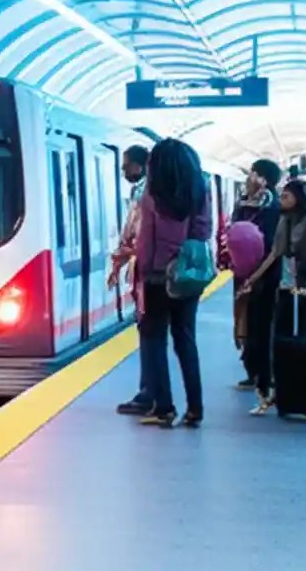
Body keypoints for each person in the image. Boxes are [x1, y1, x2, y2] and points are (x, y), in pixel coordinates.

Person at [133, 138, 211, 429]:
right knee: (186, 340)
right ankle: (195, 409)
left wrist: (144, 270)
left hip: (157, 275)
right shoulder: (199, 190)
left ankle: (163, 407)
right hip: (187, 275)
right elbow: (202, 230)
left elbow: (147, 240)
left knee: (154, 340)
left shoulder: (153, 193)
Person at [239, 177, 306, 415]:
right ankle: (283, 390)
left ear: (299, 197)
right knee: (280, 337)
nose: (282, 201)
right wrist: (254, 277)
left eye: (286, 197)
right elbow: (275, 253)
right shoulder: (284, 219)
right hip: (286, 285)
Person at [230, 160, 283, 394]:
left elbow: (271, 244)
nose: (248, 177)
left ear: (263, 179)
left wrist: (255, 275)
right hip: (244, 271)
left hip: (262, 275)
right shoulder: (245, 202)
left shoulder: (272, 207)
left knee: (260, 322)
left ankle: (263, 374)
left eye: (252, 173)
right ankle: (253, 370)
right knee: (246, 320)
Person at [109, 144, 151, 416]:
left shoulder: (143, 192)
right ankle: (156, 395)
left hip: (147, 274)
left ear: (140, 165)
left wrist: (120, 256)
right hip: (160, 273)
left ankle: (150, 395)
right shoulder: (168, 189)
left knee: (149, 333)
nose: (123, 170)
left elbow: (133, 233)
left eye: (126, 165)